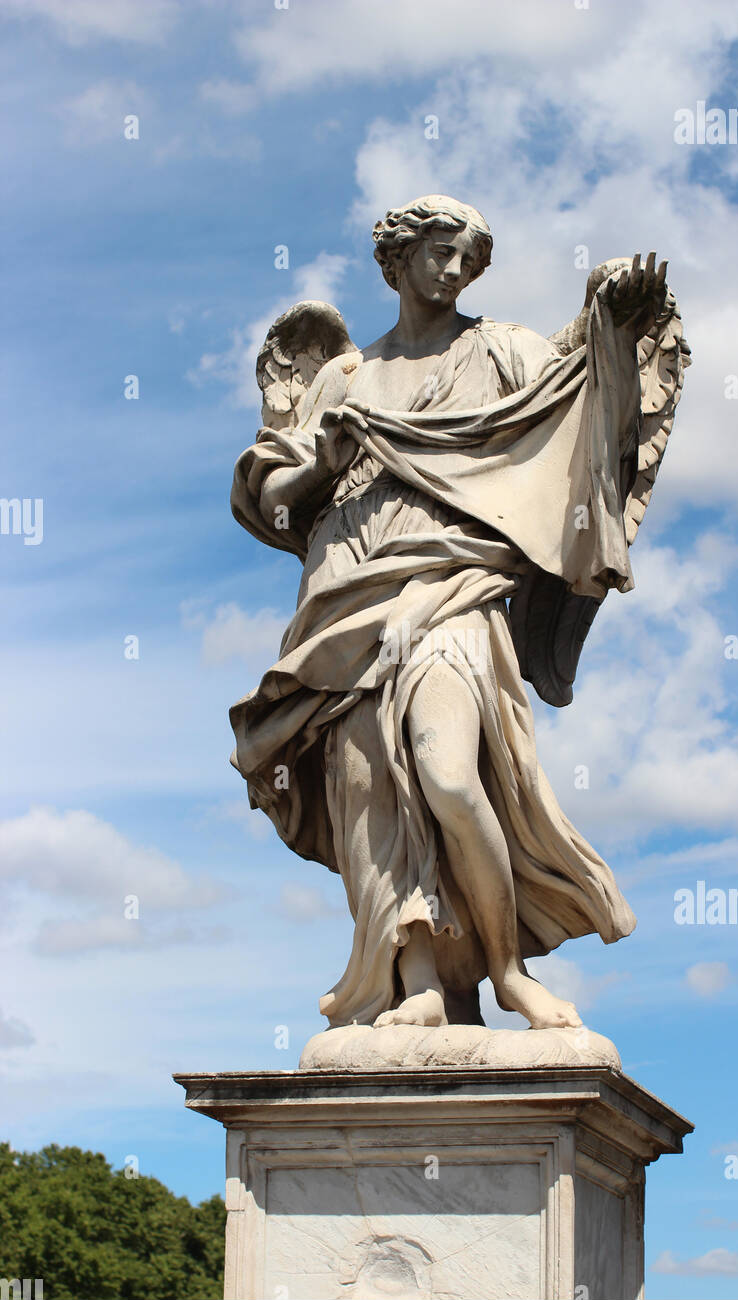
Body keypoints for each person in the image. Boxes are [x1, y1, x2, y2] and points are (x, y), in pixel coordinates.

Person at [230, 194, 669, 1031]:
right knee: (373, 804)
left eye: (469, 256)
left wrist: (609, 314)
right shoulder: (342, 377)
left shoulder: (500, 349)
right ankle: (420, 981)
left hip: (453, 591)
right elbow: (276, 500)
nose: (456, 268)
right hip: (345, 596)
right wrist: (324, 456)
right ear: (396, 260)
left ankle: (506, 971)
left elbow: (582, 416)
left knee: (445, 774)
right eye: (440, 251)